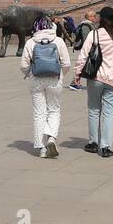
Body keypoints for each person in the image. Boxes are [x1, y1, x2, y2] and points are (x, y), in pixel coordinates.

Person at [75, 6, 113, 158]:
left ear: (101, 18)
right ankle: (106, 147)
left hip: (96, 78)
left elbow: (83, 55)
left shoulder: (95, 34)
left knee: (94, 109)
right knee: (109, 113)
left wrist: (77, 73)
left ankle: (93, 143)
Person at [20, 16, 70, 158]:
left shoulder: (30, 42)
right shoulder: (58, 41)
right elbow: (66, 64)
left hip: (36, 80)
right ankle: (52, 138)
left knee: (39, 113)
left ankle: (41, 148)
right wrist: (61, 74)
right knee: (54, 110)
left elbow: (23, 65)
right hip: (54, 79)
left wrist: (29, 73)